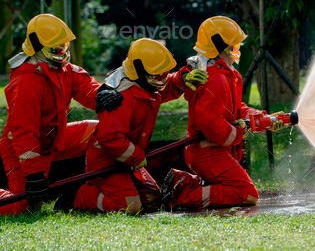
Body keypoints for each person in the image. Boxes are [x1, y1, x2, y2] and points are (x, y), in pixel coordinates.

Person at [62, 38, 208, 214]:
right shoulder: (121, 97)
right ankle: (79, 195)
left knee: (153, 200)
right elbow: (110, 138)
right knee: (129, 206)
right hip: (106, 160)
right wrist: (137, 157)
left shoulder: (148, 85)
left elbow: (167, 85)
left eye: (165, 73)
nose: (162, 79)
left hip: (128, 158)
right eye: (157, 75)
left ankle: (109, 189)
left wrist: (183, 78)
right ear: (139, 71)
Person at [0, 14, 123, 215]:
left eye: (64, 46)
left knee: (102, 131)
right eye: (56, 48)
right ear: (37, 47)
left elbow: (87, 88)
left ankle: (93, 185)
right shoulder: (25, 84)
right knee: (26, 210)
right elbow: (23, 133)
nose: (62, 52)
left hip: (56, 138)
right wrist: (33, 173)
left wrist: (103, 94)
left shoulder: (66, 70)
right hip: (22, 149)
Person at [161, 16, 283, 210]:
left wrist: (260, 117)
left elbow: (233, 109)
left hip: (213, 151)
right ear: (223, 47)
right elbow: (209, 122)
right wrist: (237, 133)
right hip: (207, 152)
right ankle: (184, 195)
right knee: (247, 193)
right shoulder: (217, 79)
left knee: (240, 191)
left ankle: (190, 184)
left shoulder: (225, 74)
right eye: (235, 45)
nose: (237, 50)